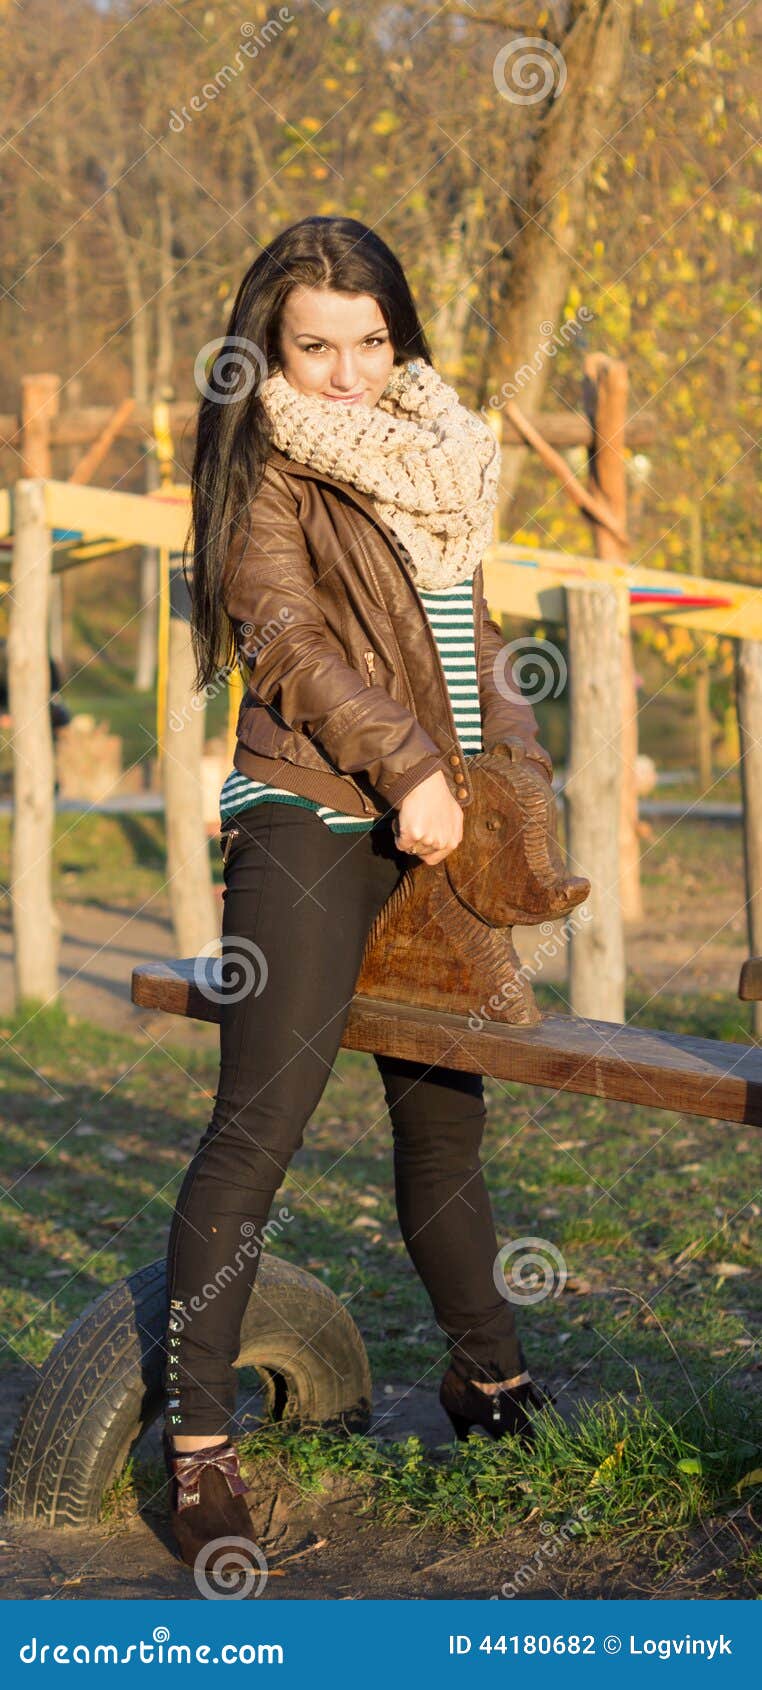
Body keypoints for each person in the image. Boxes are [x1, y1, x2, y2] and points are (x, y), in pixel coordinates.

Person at [164, 216, 554, 1570]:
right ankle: (200, 1444)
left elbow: (464, 629)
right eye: (314, 345)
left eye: (369, 340)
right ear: (269, 347)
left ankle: (487, 1379)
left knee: (444, 1124)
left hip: (440, 823)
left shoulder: (435, 458)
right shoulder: (262, 461)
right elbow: (289, 640)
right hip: (314, 809)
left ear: (401, 337)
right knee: (256, 1128)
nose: (345, 371)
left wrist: (511, 767)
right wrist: (404, 768)